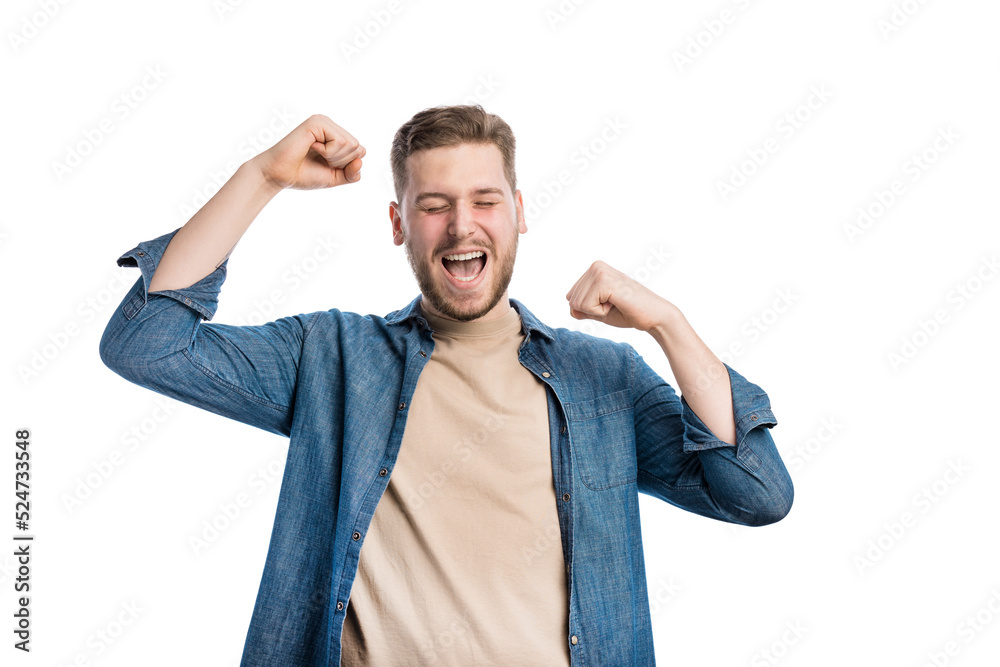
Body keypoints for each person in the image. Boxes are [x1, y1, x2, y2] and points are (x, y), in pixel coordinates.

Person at [99, 105, 793, 666]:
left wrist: (669, 324)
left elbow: (757, 492)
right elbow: (146, 343)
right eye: (434, 205)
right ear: (399, 224)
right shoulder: (335, 357)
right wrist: (262, 175)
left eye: (484, 200)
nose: (462, 225)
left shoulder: (602, 379)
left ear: (518, 211)